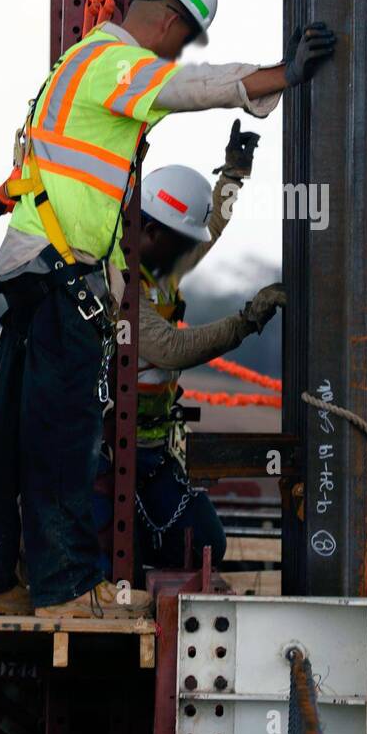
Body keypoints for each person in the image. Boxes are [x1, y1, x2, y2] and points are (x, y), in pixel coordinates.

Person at [0, 0, 335, 620]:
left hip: (32, 265)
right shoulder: (113, 65)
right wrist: (282, 75)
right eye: (182, 37)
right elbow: (190, 87)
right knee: (64, 438)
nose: (177, 51)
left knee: (9, 434)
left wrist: (229, 178)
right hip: (57, 270)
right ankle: (68, 590)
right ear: (167, 20)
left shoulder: (79, 63)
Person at [127, 135, 280, 579]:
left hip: (152, 450)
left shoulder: (158, 263)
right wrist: (246, 321)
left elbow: (210, 229)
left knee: (204, 544)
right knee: (120, 560)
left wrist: (234, 176)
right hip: (110, 454)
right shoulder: (120, 279)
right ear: (152, 230)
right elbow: (169, 347)